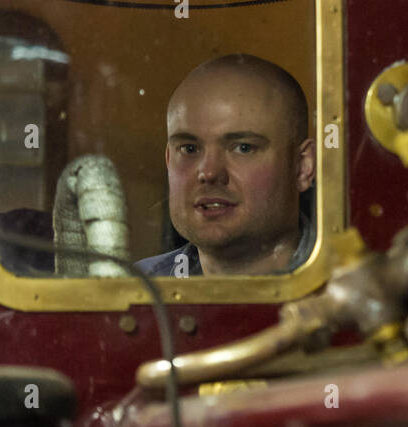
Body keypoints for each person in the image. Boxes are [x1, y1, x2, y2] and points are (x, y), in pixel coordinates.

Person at [135, 54, 316, 276]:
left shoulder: (350, 295)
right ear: (168, 161)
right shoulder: (131, 292)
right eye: (189, 149)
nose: (209, 172)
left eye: (243, 148)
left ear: (303, 166)